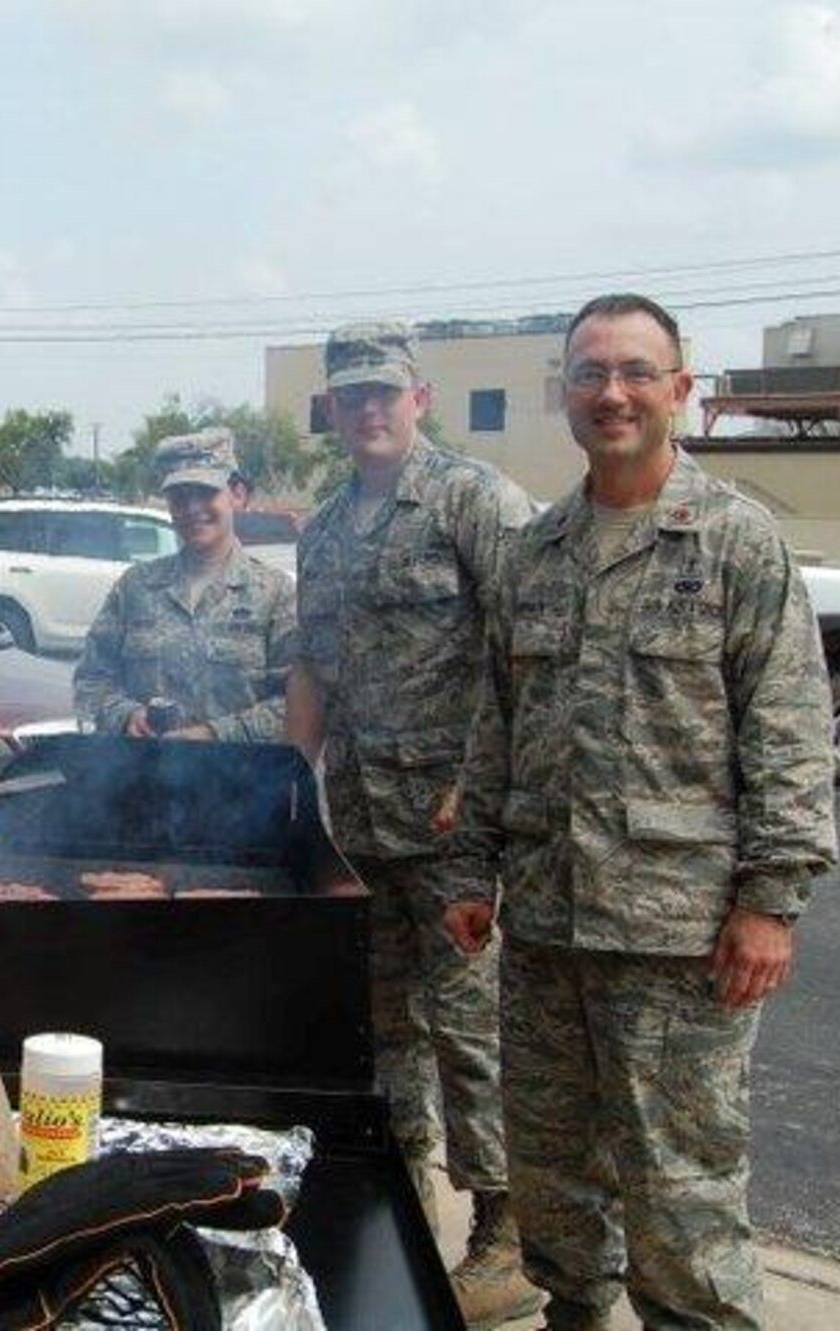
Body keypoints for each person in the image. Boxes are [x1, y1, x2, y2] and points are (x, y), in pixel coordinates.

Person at [453, 294, 836, 1331]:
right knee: (551, 1187)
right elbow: (496, 721)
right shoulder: (534, 552)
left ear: (678, 389)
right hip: (542, 926)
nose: (609, 393)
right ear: (563, 395)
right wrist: (466, 870)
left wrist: (770, 899)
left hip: (679, 939)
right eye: (587, 373)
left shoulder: (732, 543)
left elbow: (787, 729)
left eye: (632, 371)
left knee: (681, 1202)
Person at [284, 321, 540, 1326]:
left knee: (467, 1028)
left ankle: (505, 1234)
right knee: (379, 1029)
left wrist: (483, 784)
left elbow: (528, 643)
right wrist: (286, 781)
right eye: (351, 397)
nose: (370, 410)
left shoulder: (472, 499)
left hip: (451, 824)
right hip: (359, 819)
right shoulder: (321, 527)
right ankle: (395, 1206)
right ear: (332, 411)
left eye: (385, 392)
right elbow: (309, 664)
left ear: (418, 396)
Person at [73, 428, 296, 742]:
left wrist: (214, 734)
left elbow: (297, 704)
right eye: (179, 497)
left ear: (237, 494)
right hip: (144, 781)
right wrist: (127, 716)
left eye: (205, 493)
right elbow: (91, 681)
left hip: (239, 783)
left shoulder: (275, 594)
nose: (192, 508)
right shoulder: (135, 588)